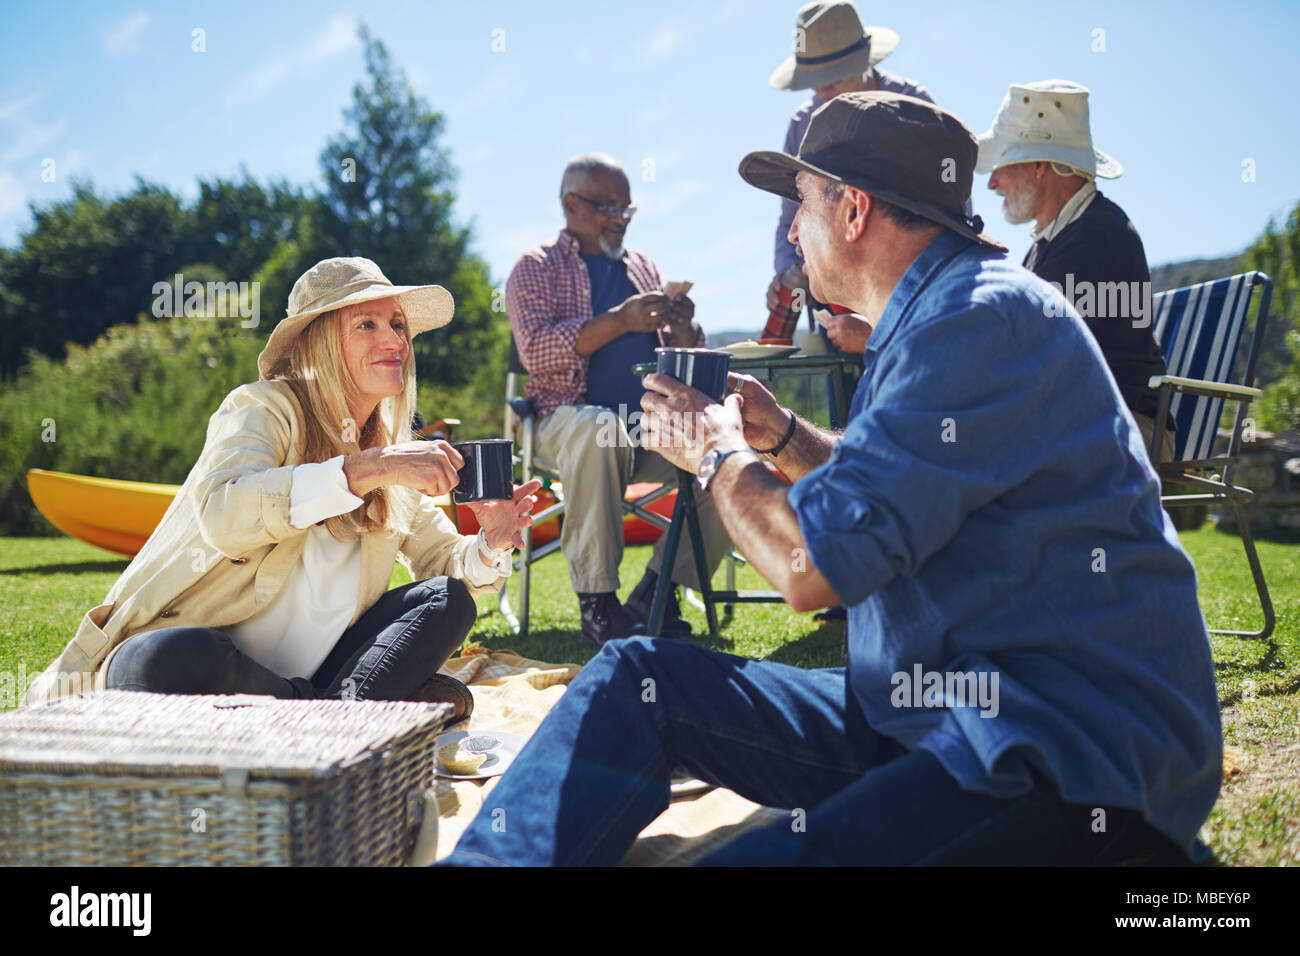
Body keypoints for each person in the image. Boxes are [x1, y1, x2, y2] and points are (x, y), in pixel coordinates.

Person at [439, 93, 1221, 866]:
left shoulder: (977, 321)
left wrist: (716, 455)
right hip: (927, 712)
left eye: (800, 201)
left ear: (853, 212)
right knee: (636, 676)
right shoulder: (936, 316)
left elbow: (813, 565)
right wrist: (777, 435)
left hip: (1060, 755)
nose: (789, 229)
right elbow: (887, 480)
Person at [24, 257, 540, 716]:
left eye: (398, 325)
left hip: (309, 680)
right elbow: (225, 514)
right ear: (318, 341)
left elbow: (445, 565)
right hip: (198, 664)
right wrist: (370, 467)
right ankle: (346, 716)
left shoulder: (388, 457)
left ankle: (320, 718)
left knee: (447, 599)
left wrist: (491, 542)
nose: (395, 341)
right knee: (172, 659)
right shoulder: (262, 409)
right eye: (367, 323)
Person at [505, 154, 731, 647]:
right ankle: (599, 605)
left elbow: (682, 352)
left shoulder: (642, 266)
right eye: (609, 206)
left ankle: (659, 592)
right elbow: (537, 353)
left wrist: (686, 327)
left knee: (727, 453)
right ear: (571, 204)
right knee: (596, 429)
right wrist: (620, 321)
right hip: (561, 421)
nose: (620, 219)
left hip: (648, 427)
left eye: (626, 208)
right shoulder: (536, 266)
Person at [978, 79, 1174, 463]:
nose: (991, 183)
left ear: (1038, 166)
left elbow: (1025, 347)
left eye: (1002, 166)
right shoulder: (1055, 240)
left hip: (1126, 428)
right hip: (1086, 419)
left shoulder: (1098, 234)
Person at [763, 0, 934, 360]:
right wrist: (787, 273)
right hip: (835, 305)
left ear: (864, 63)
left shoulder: (914, 106)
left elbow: (948, 208)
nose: (821, 91)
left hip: (913, 295)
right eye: (814, 82)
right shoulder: (801, 125)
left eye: (833, 77)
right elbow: (788, 220)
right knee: (848, 410)